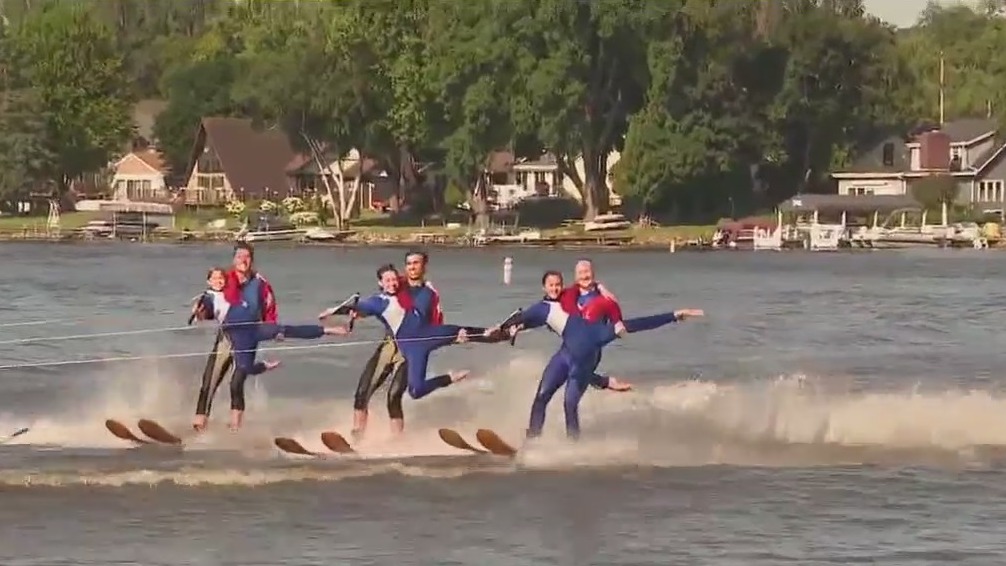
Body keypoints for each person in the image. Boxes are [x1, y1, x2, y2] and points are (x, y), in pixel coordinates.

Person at [500, 270, 703, 439]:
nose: (555, 288)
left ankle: (573, 446)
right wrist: (510, 326)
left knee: (569, 404)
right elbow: (532, 316)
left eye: (558, 284)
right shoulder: (557, 307)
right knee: (542, 396)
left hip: (582, 365)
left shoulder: (605, 331)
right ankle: (533, 438)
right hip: (564, 357)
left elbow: (639, 323)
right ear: (544, 287)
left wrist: (674, 316)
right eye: (551, 285)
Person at [325, 264, 506, 401]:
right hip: (412, 348)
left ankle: (503, 333)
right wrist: (334, 311)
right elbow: (359, 307)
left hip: (429, 333)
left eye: (394, 279)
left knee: (467, 333)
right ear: (380, 283)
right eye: (387, 280)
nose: (392, 283)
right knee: (415, 391)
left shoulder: (407, 293)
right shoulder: (377, 302)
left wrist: (426, 286)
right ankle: (449, 378)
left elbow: (420, 288)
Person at [325, 250, 442, 440]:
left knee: (393, 396)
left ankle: (397, 441)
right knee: (362, 392)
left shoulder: (428, 293)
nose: (412, 267)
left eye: (416, 263)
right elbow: (375, 305)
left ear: (424, 266)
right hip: (390, 344)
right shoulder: (394, 286)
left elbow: (436, 322)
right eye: (409, 264)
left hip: (411, 348)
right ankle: (357, 439)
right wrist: (350, 311)